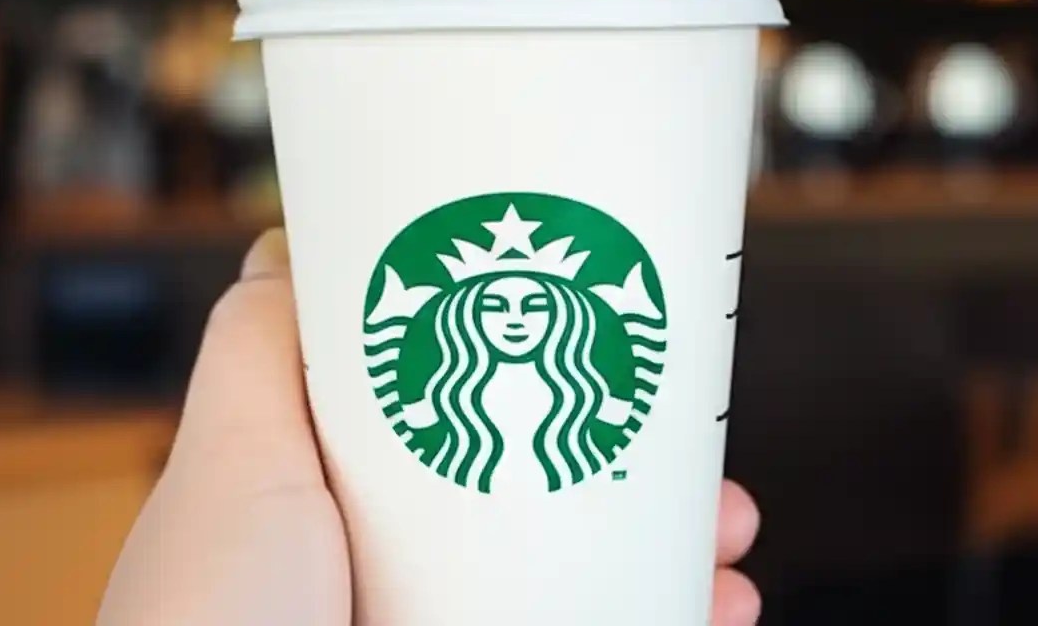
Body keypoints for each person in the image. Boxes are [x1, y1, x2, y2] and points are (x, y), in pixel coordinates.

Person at [98, 229, 763, 626]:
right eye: (495, 300)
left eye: (534, 300)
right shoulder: (445, 402)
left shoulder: (579, 404)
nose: (515, 317)